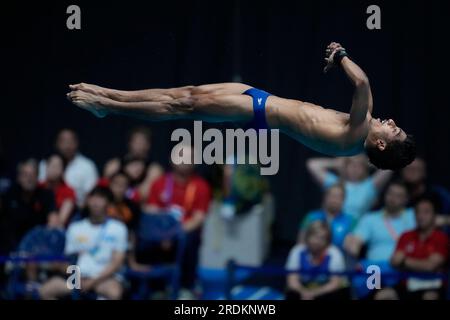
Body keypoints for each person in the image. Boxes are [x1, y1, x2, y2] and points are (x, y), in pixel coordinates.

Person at [67, 42, 416, 170]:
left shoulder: (355, 136)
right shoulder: (362, 125)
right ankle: (108, 98)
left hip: (260, 111)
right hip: (260, 97)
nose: (391, 121)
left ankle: (108, 104)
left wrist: (340, 55)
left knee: (183, 107)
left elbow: (362, 83)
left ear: (381, 143)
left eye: (393, 129)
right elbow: (364, 89)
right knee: (183, 94)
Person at [143, 144, 211, 298]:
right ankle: (157, 287)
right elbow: (151, 211)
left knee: (189, 238)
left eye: (190, 157)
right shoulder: (159, 183)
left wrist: (174, 233)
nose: (185, 161)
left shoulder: (201, 186)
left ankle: (187, 286)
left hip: (184, 231)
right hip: (161, 231)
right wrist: (163, 234)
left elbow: (198, 218)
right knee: (147, 237)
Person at [39, 187, 128, 300]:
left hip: (105, 279)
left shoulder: (118, 228)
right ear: (87, 201)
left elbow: (117, 262)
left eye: (101, 199)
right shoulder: (75, 228)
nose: (95, 202)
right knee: (46, 291)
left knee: (114, 293)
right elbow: (69, 260)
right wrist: (78, 279)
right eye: (93, 198)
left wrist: (92, 282)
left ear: (108, 203)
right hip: (77, 278)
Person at [344, 181, 416, 299]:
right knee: (379, 293)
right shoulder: (370, 218)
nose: (393, 198)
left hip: (402, 270)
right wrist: (351, 245)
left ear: (406, 199)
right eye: (390, 194)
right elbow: (356, 241)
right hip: (375, 270)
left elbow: (434, 221)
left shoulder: (414, 216)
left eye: (398, 196)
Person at [391, 195, 449, 300]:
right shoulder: (406, 236)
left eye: (426, 212)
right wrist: (421, 263)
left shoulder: (442, 238)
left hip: (432, 286)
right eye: (418, 212)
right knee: (385, 294)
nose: (421, 216)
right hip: (406, 286)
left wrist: (404, 261)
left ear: (435, 215)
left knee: (430, 297)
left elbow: (430, 266)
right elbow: (394, 261)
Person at [307, 155, 393, 220]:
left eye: (359, 166)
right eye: (351, 165)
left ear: (365, 169)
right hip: (330, 228)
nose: (355, 169)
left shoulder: (369, 186)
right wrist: (336, 163)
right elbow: (312, 165)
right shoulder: (335, 183)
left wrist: (370, 163)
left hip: (357, 232)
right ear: (345, 167)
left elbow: (390, 166)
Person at [0, 159, 56, 255]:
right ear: (19, 177)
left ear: (38, 177)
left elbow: (54, 222)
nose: (29, 179)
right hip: (10, 247)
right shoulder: (8, 195)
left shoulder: (46, 195)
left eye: (32, 175)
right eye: (25, 175)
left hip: (37, 247)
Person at [285, 221, 349, 300]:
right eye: (314, 237)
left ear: (327, 241)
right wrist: (304, 292)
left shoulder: (334, 254)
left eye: (322, 238)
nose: (316, 241)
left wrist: (314, 293)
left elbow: (335, 283)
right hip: (303, 290)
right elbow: (292, 281)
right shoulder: (297, 251)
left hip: (326, 292)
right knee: (291, 293)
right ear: (307, 237)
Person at [102, 127, 163, 204]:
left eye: (142, 142)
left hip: (139, 210)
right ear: (129, 143)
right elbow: (104, 191)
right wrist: (126, 174)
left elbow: (144, 195)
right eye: (136, 142)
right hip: (112, 207)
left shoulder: (154, 169)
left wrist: (125, 180)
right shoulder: (114, 165)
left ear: (148, 145)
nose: (138, 145)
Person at [39, 129, 98, 206]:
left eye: (70, 141)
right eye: (63, 141)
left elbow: (92, 195)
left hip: (78, 210)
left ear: (77, 143)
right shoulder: (45, 163)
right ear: (56, 144)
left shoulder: (87, 166)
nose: (67, 146)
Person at [299, 183, 354, 250]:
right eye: (332, 196)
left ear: (344, 200)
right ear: (325, 197)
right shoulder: (311, 217)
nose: (334, 200)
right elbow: (301, 244)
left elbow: (351, 250)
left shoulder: (351, 221)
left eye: (338, 197)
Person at [40, 154, 76, 227]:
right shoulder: (38, 187)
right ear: (46, 167)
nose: (53, 169)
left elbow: (60, 221)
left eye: (57, 166)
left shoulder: (68, 191)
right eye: (51, 165)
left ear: (63, 170)